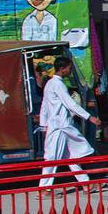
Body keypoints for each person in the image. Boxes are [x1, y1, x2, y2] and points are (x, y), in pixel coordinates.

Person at [39, 56, 100, 187]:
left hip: (58, 126)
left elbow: (44, 106)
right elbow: (71, 104)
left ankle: (85, 183)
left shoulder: (50, 83)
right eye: (69, 68)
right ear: (62, 69)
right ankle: (44, 188)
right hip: (60, 127)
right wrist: (90, 117)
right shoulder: (58, 85)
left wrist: (44, 125)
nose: (70, 71)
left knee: (71, 157)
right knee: (52, 158)